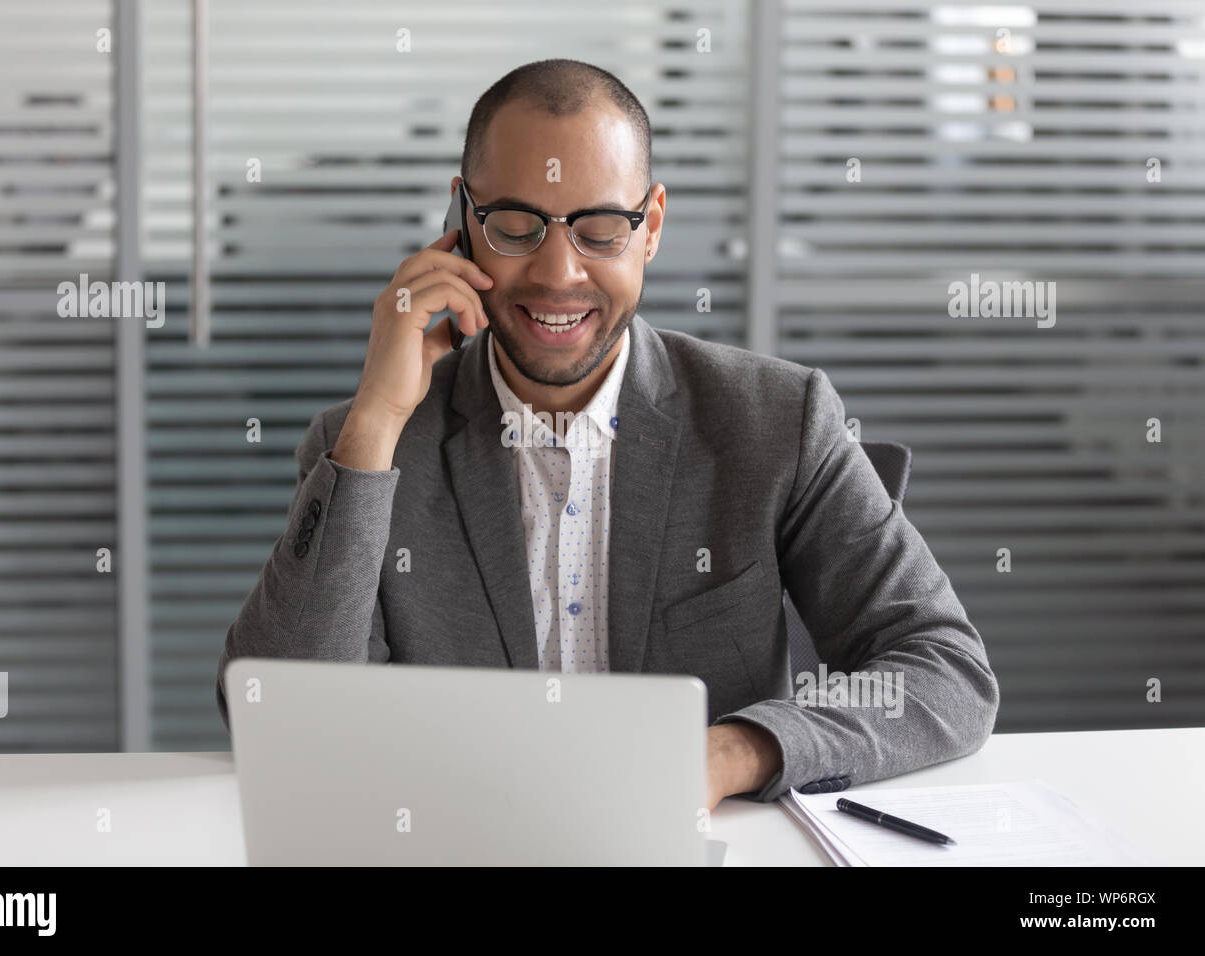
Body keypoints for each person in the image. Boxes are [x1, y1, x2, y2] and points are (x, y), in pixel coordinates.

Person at [216, 58, 999, 810]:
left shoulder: (776, 420)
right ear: (461, 222)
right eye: (517, 226)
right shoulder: (370, 444)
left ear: (651, 226)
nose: (559, 273)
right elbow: (275, 717)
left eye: (599, 229)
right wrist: (378, 419)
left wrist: (728, 753)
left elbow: (945, 671)